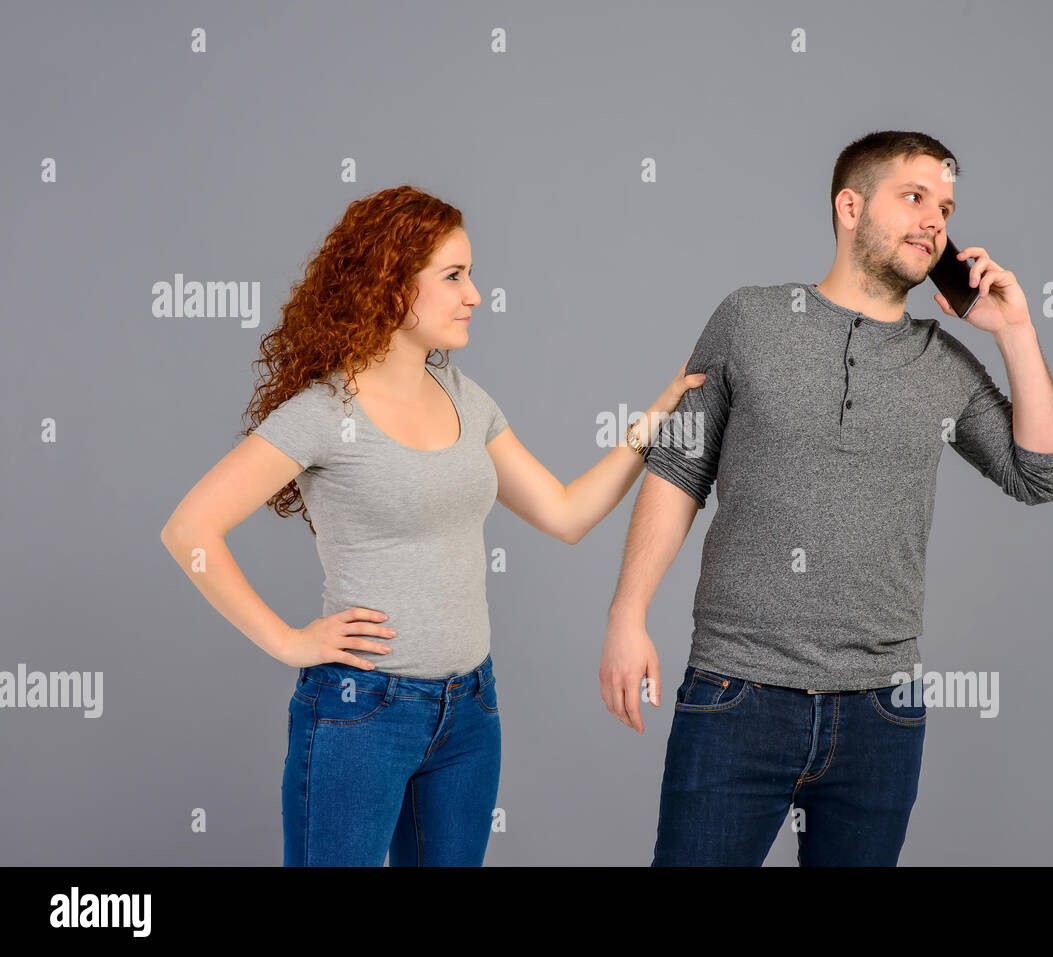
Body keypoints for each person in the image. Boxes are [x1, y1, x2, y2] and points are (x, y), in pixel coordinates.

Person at [159, 185, 704, 866]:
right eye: (453, 276)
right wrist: (287, 640)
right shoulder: (325, 411)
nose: (474, 294)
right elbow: (190, 529)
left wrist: (655, 419)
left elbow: (566, 514)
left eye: (470, 274)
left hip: (471, 711)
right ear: (391, 284)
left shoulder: (466, 399)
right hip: (363, 713)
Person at [599, 130, 1053, 866]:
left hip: (881, 713)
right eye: (914, 197)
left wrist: (1014, 329)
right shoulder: (749, 319)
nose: (934, 223)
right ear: (850, 206)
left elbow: (1042, 474)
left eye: (945, 209)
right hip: (736, 693)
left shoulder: (942, 363)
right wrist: (627, 615)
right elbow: (678, 469)